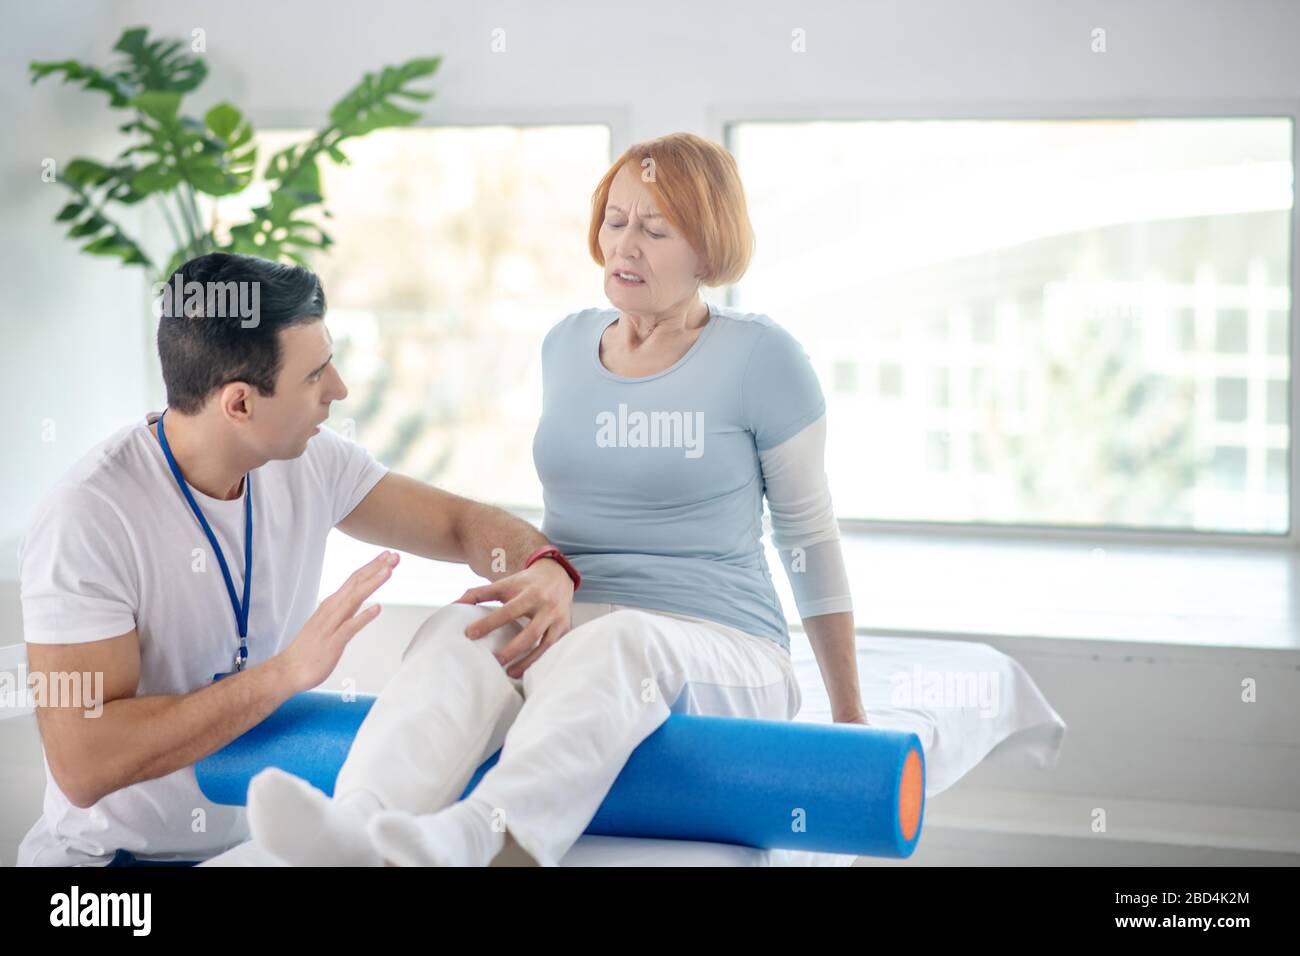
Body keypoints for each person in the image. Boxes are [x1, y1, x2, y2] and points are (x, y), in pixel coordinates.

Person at [245, 132, 865, 868]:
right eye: (616, 221)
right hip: (572, 624)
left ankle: (484, 839)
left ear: (708, 250)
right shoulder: (566, 345)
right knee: (460, 629)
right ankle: (357, 826)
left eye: (655, 230)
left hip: (720, 641)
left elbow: (808, 535)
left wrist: (848, 714)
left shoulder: (762, 357)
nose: (624, 245)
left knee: (620, 641)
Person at [17, 252, 577, 866]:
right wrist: (286, 673)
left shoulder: (313, 461)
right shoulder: (89, 516)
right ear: (239, 404)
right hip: (104, 864)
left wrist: (543, 564)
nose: (338, 389)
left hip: (247, 849)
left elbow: (459, 525)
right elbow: (84, 763)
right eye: (315, 375)